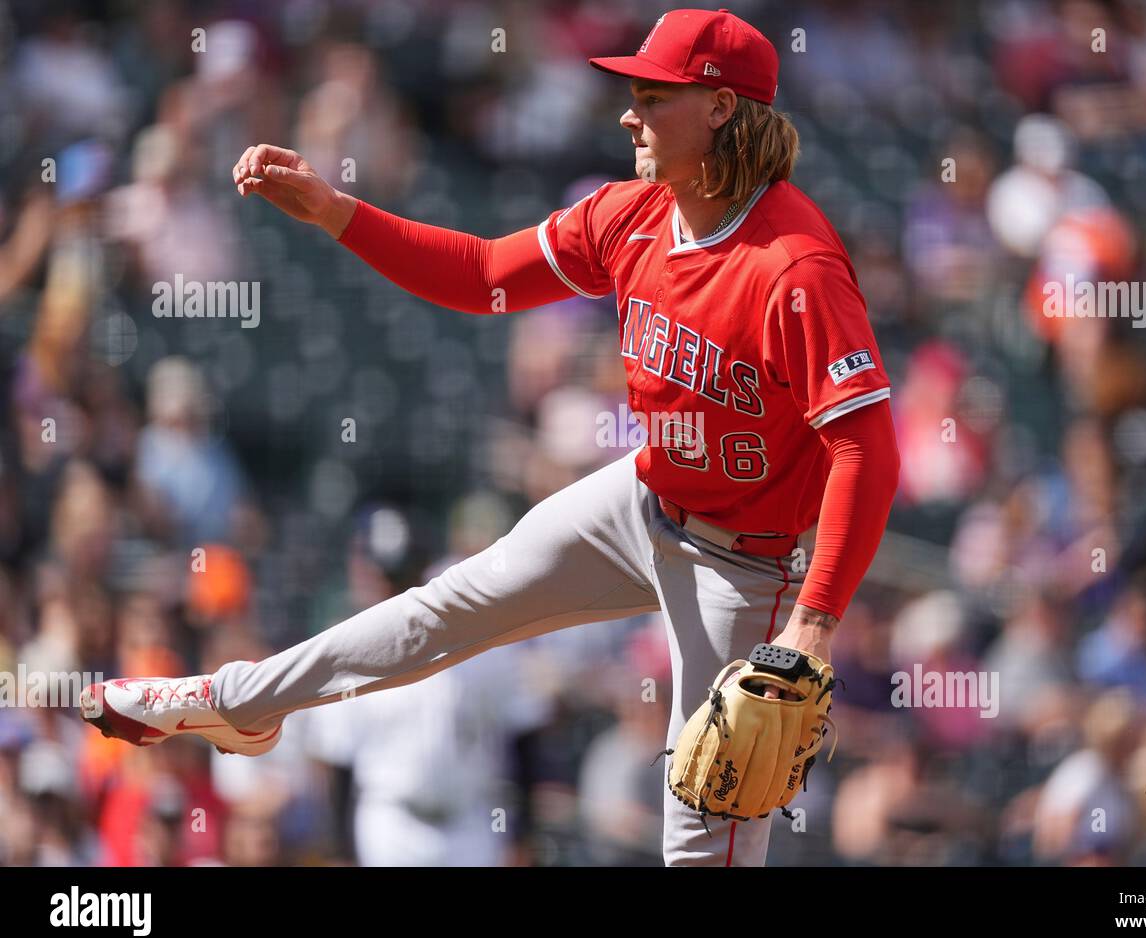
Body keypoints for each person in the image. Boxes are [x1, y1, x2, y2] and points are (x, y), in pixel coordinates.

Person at [81, 8, 899, 867]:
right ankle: (242, 703)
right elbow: (481, 276)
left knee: (701, 847)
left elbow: (867, 451)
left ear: (722, 108)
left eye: (653, 96)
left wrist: (812, 624)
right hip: (643, 502)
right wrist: (337, 212)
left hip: (744, 565)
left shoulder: (794, 267)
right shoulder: (632, 216)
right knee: (448, 605)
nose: (629, 112)